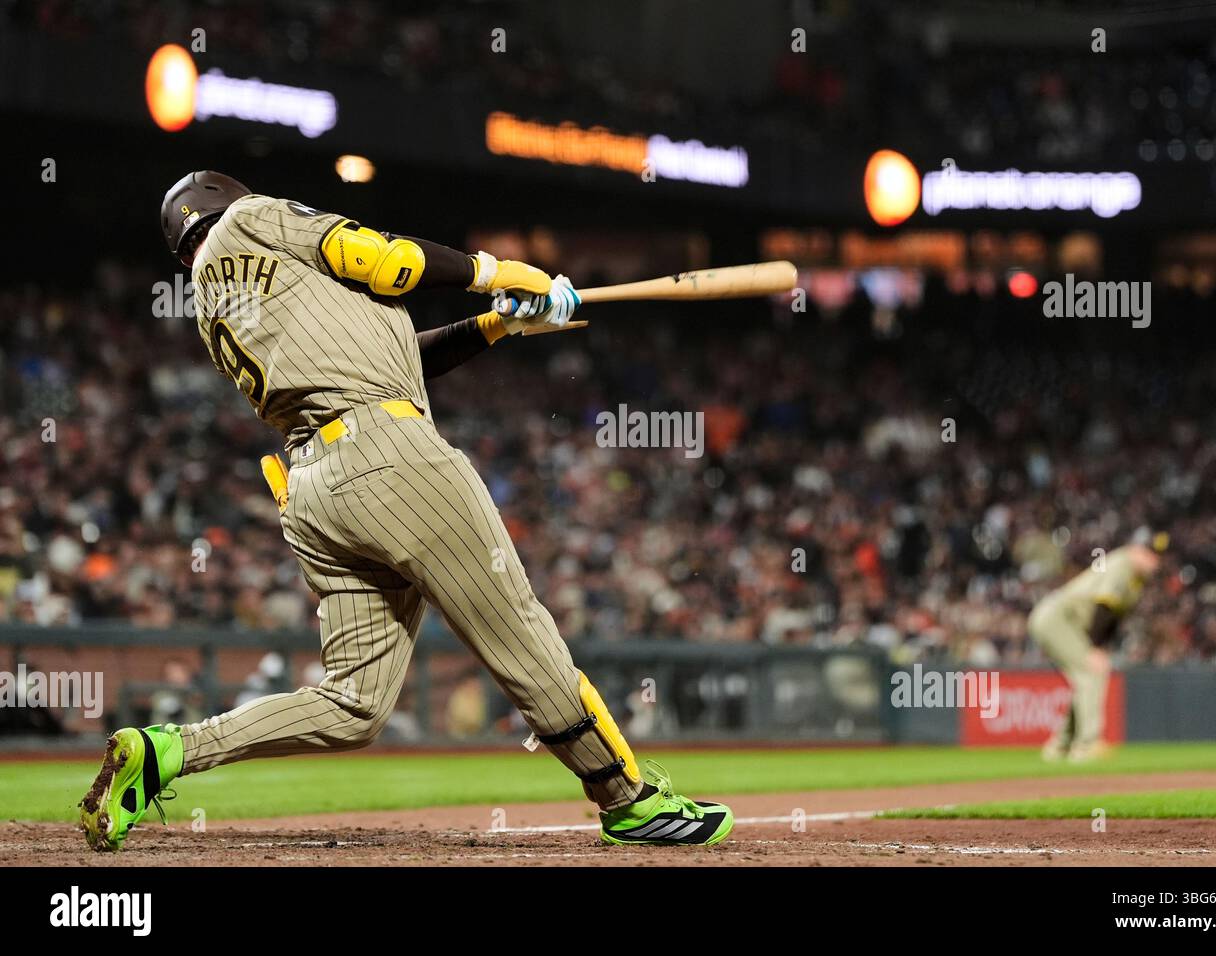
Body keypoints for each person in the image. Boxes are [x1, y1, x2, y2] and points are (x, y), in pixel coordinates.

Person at [77, 171, 733, 850]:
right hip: (387, 459)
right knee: (519, 633)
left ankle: (167, 752)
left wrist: (499, 322)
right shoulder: (256, 219)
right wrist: (495, 270)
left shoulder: (215, 299)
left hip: (313, 488)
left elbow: (391, 363)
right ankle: (627, 800)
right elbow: (389, 260)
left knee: (354, 704)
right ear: (228, 201)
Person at [1027, 533, 1165, 761]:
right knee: (1091, 671)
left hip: (1066, 621)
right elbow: (1104, 606)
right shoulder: (1123, 564)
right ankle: (1086, 745)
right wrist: (1094, 648)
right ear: (1135, 550)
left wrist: (1099, 647)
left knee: (1085, 677)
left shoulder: (1136, 579)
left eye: (1157, 556)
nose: (1154, 561)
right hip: (1058, 617)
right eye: (1149, 554)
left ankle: (1060, 745)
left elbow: (1113, 617)